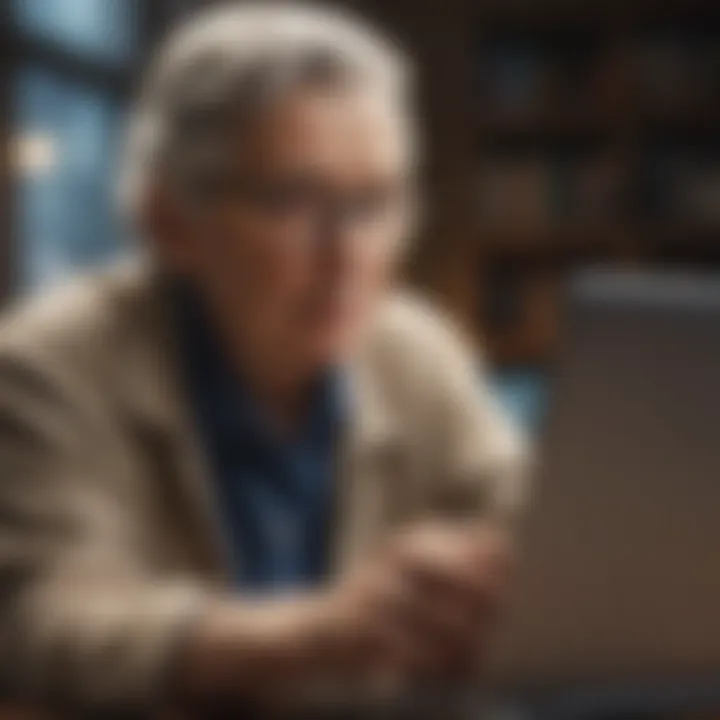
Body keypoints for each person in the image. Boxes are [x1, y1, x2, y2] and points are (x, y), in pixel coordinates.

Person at [0, 4, 529, 716]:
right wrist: (319, 632)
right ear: (170, 221)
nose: (350, 255)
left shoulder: (415, 350)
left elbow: (529, 522)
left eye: (376, 202)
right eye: (296, 201)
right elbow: (41, 622)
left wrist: (495, 578)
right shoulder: (47, 364)